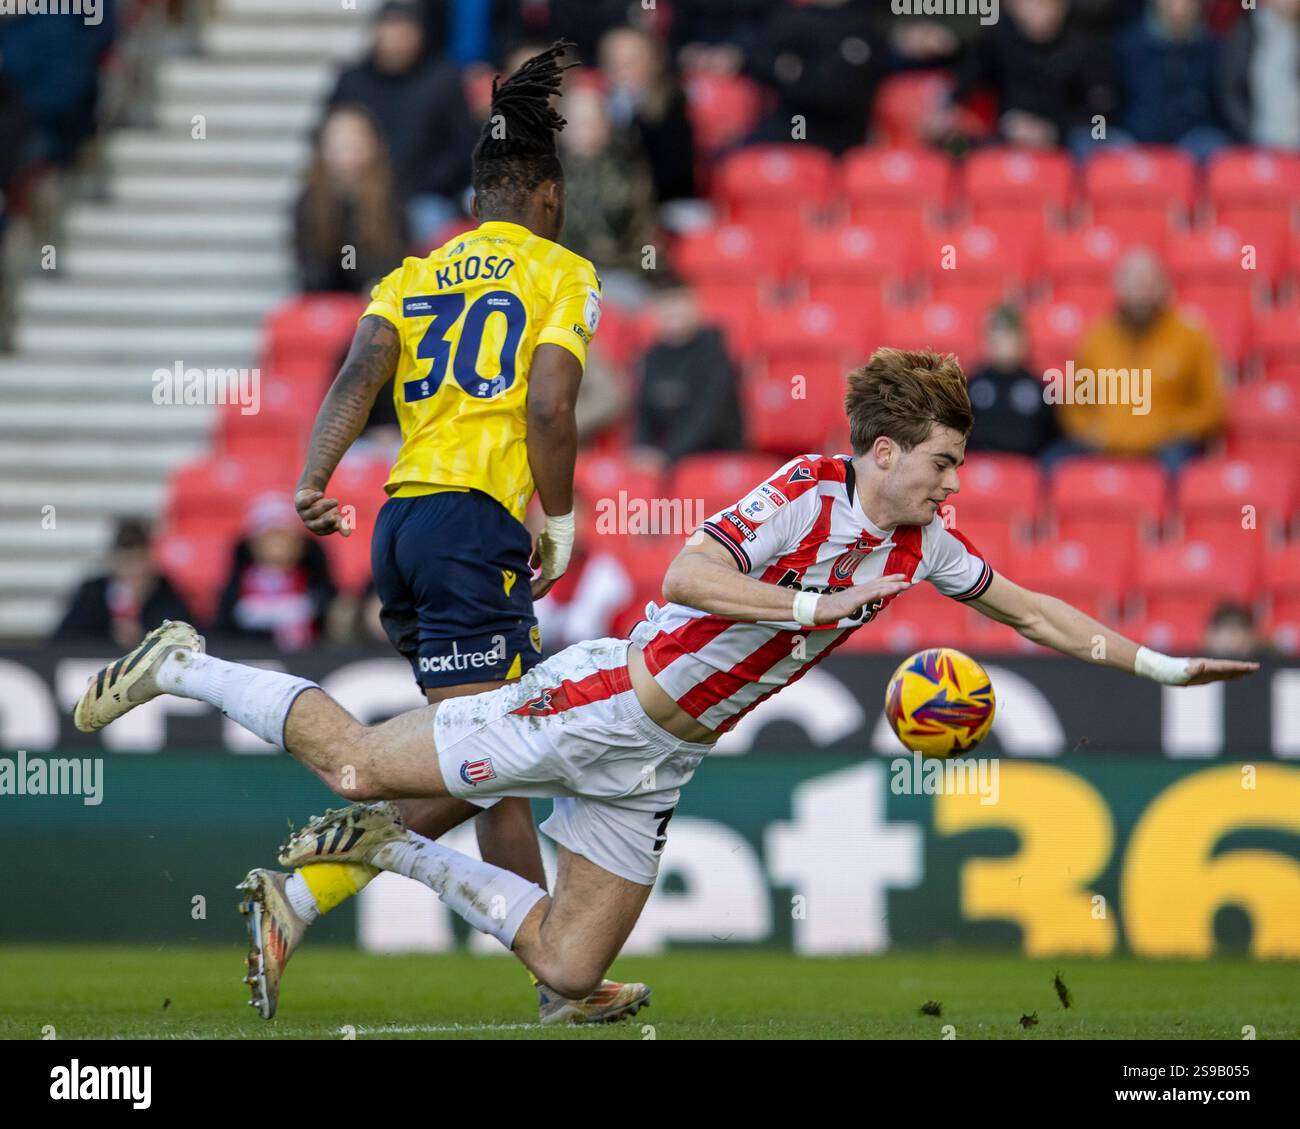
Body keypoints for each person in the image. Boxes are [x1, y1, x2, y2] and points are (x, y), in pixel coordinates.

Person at [75, 348, 1258, 1009]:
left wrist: (1156, 662)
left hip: (659, 761)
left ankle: (379, 849)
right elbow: (690, 570)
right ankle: (186, 660)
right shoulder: (803, 491)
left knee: (565, 967)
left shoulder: (921, 545)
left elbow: (1032, 607)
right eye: (942, 466)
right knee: (351, 758)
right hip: (601, 701)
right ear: (885, 453)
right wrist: (812, 603)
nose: (952, 490)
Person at [245, 42, 645, 1026]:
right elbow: (552, 406)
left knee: (495, 771)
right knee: (492, 755)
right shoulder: (562, 272)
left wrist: (310, 476)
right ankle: (306, 883)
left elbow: (356, 374)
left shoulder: (411, 275)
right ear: (547, 195)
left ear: (477, 202)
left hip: (399, 525)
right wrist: (556, 516)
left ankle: (559, 982)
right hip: (473, 528)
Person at [1048, 247, 1225, 475]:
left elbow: (1212, 406)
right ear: (1118, 288)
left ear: (1162, 286)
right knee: (1052, 464)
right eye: (1133, 283)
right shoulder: (1097, 338)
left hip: (1164, 448)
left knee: (1178, 466)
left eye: (1146, 283)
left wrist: (1172, 428)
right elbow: (1075, 405)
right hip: (1106, 445)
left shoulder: (1192, 337)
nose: (1140, 292)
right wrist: (1089, 430)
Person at [326, 0, 476, 244]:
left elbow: (464, 149)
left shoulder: (443, 80)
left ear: (420, 35)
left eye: (404, 31)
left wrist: (417, 185)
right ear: (375, 33)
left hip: (424, 194)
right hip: (359, 191)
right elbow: (327, 136)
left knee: (429, 217)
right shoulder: (352, 80)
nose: (396, 40)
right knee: (323, 210)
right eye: (389, 30)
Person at [633, 270, 744, 470]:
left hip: (716, 456)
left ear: (695, 306)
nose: (674, 314)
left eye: (680, 305)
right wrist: (642, 449)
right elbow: (644, 412)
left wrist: (667, 457)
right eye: (667, 306)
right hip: (670, 458)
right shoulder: (653, 355)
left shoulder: (714, 350)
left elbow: (709, 417)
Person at [294, 105, 408, 294]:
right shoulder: (310, 202)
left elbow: (393, 257)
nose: (348, 150)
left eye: (355, 140)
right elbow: (311, 266)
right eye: (340, 142)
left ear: (373, 145)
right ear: (324, 148)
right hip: (326, 298)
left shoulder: (391, 197)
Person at [212, 494, 338, 653]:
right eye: (269, 538)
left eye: (284, 538)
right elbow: (224, 626)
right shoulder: (237, 587)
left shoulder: (315, 585)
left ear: (300, 544)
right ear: (253, 544)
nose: (277, 546)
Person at [54, 520, 193, 649]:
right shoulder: (92, 594)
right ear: (114, 561)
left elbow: (186, 641)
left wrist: (144, 637)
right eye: (126, 561)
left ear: (151, 560)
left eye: (138, 561)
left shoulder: (168, 595)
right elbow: (64, 640)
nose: (133, 570)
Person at [965, 307, 1060, 460]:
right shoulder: (971, 385)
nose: (1002, 342)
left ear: (1023, 339)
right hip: (978, 466)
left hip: (1026, 467)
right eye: (996, 334)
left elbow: (1052, 435)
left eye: (1008, 335)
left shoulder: (1039, 388)